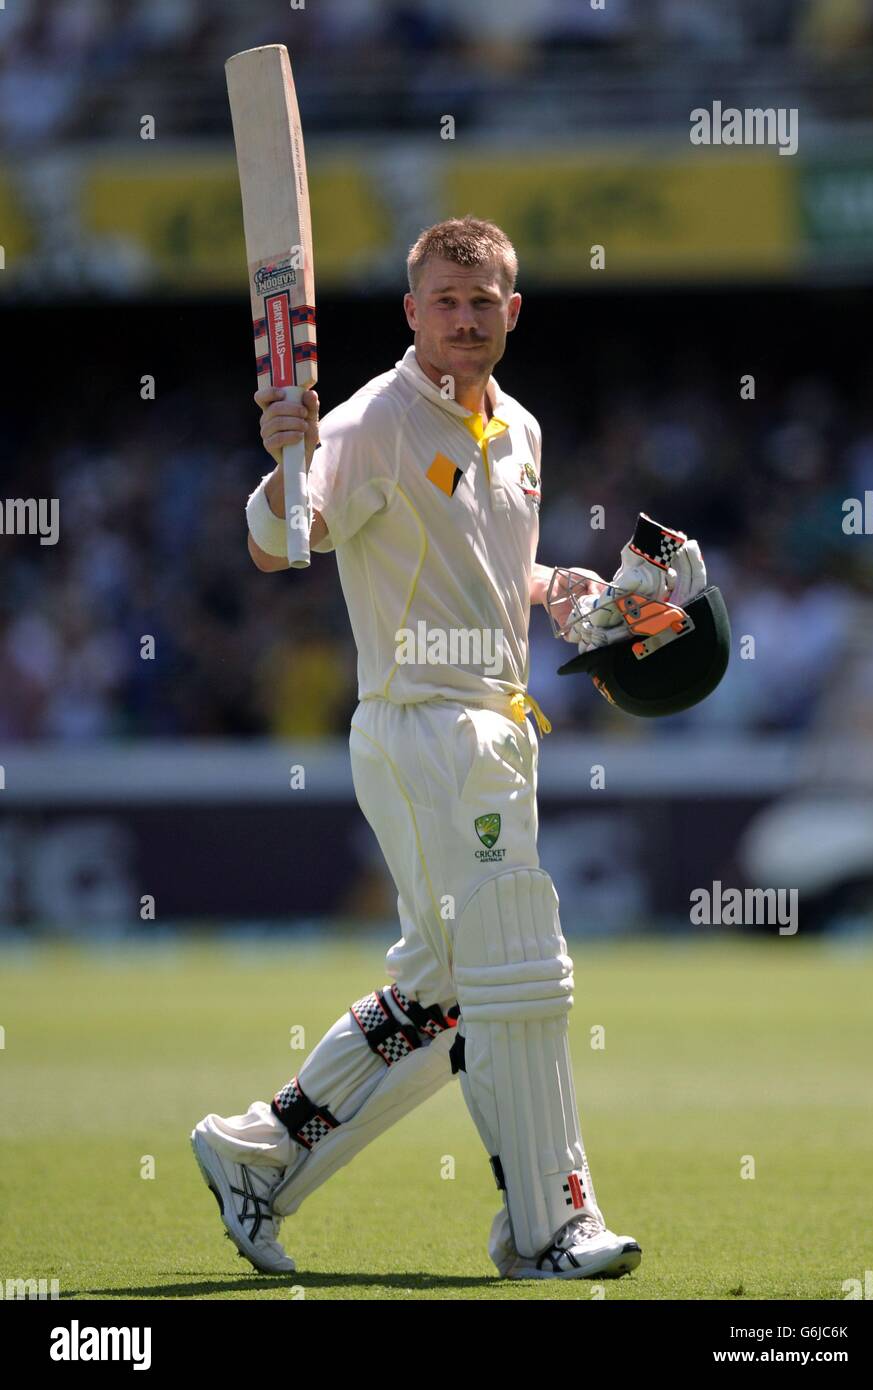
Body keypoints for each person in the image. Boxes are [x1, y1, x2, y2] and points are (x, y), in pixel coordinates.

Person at [190, 216, 643, 1281]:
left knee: (444, 993)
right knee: (520, 968)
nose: (465, 318)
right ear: (411, 311)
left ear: (512, 310)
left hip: (498, 723)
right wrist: (281, 463)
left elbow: (495, 578)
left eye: (483, 300)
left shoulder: (519, 430)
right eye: (445, 300)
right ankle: (549, 1224)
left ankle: (256, 1151)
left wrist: (559, 587)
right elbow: (274, 543)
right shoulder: (375, 420)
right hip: (420, 726)